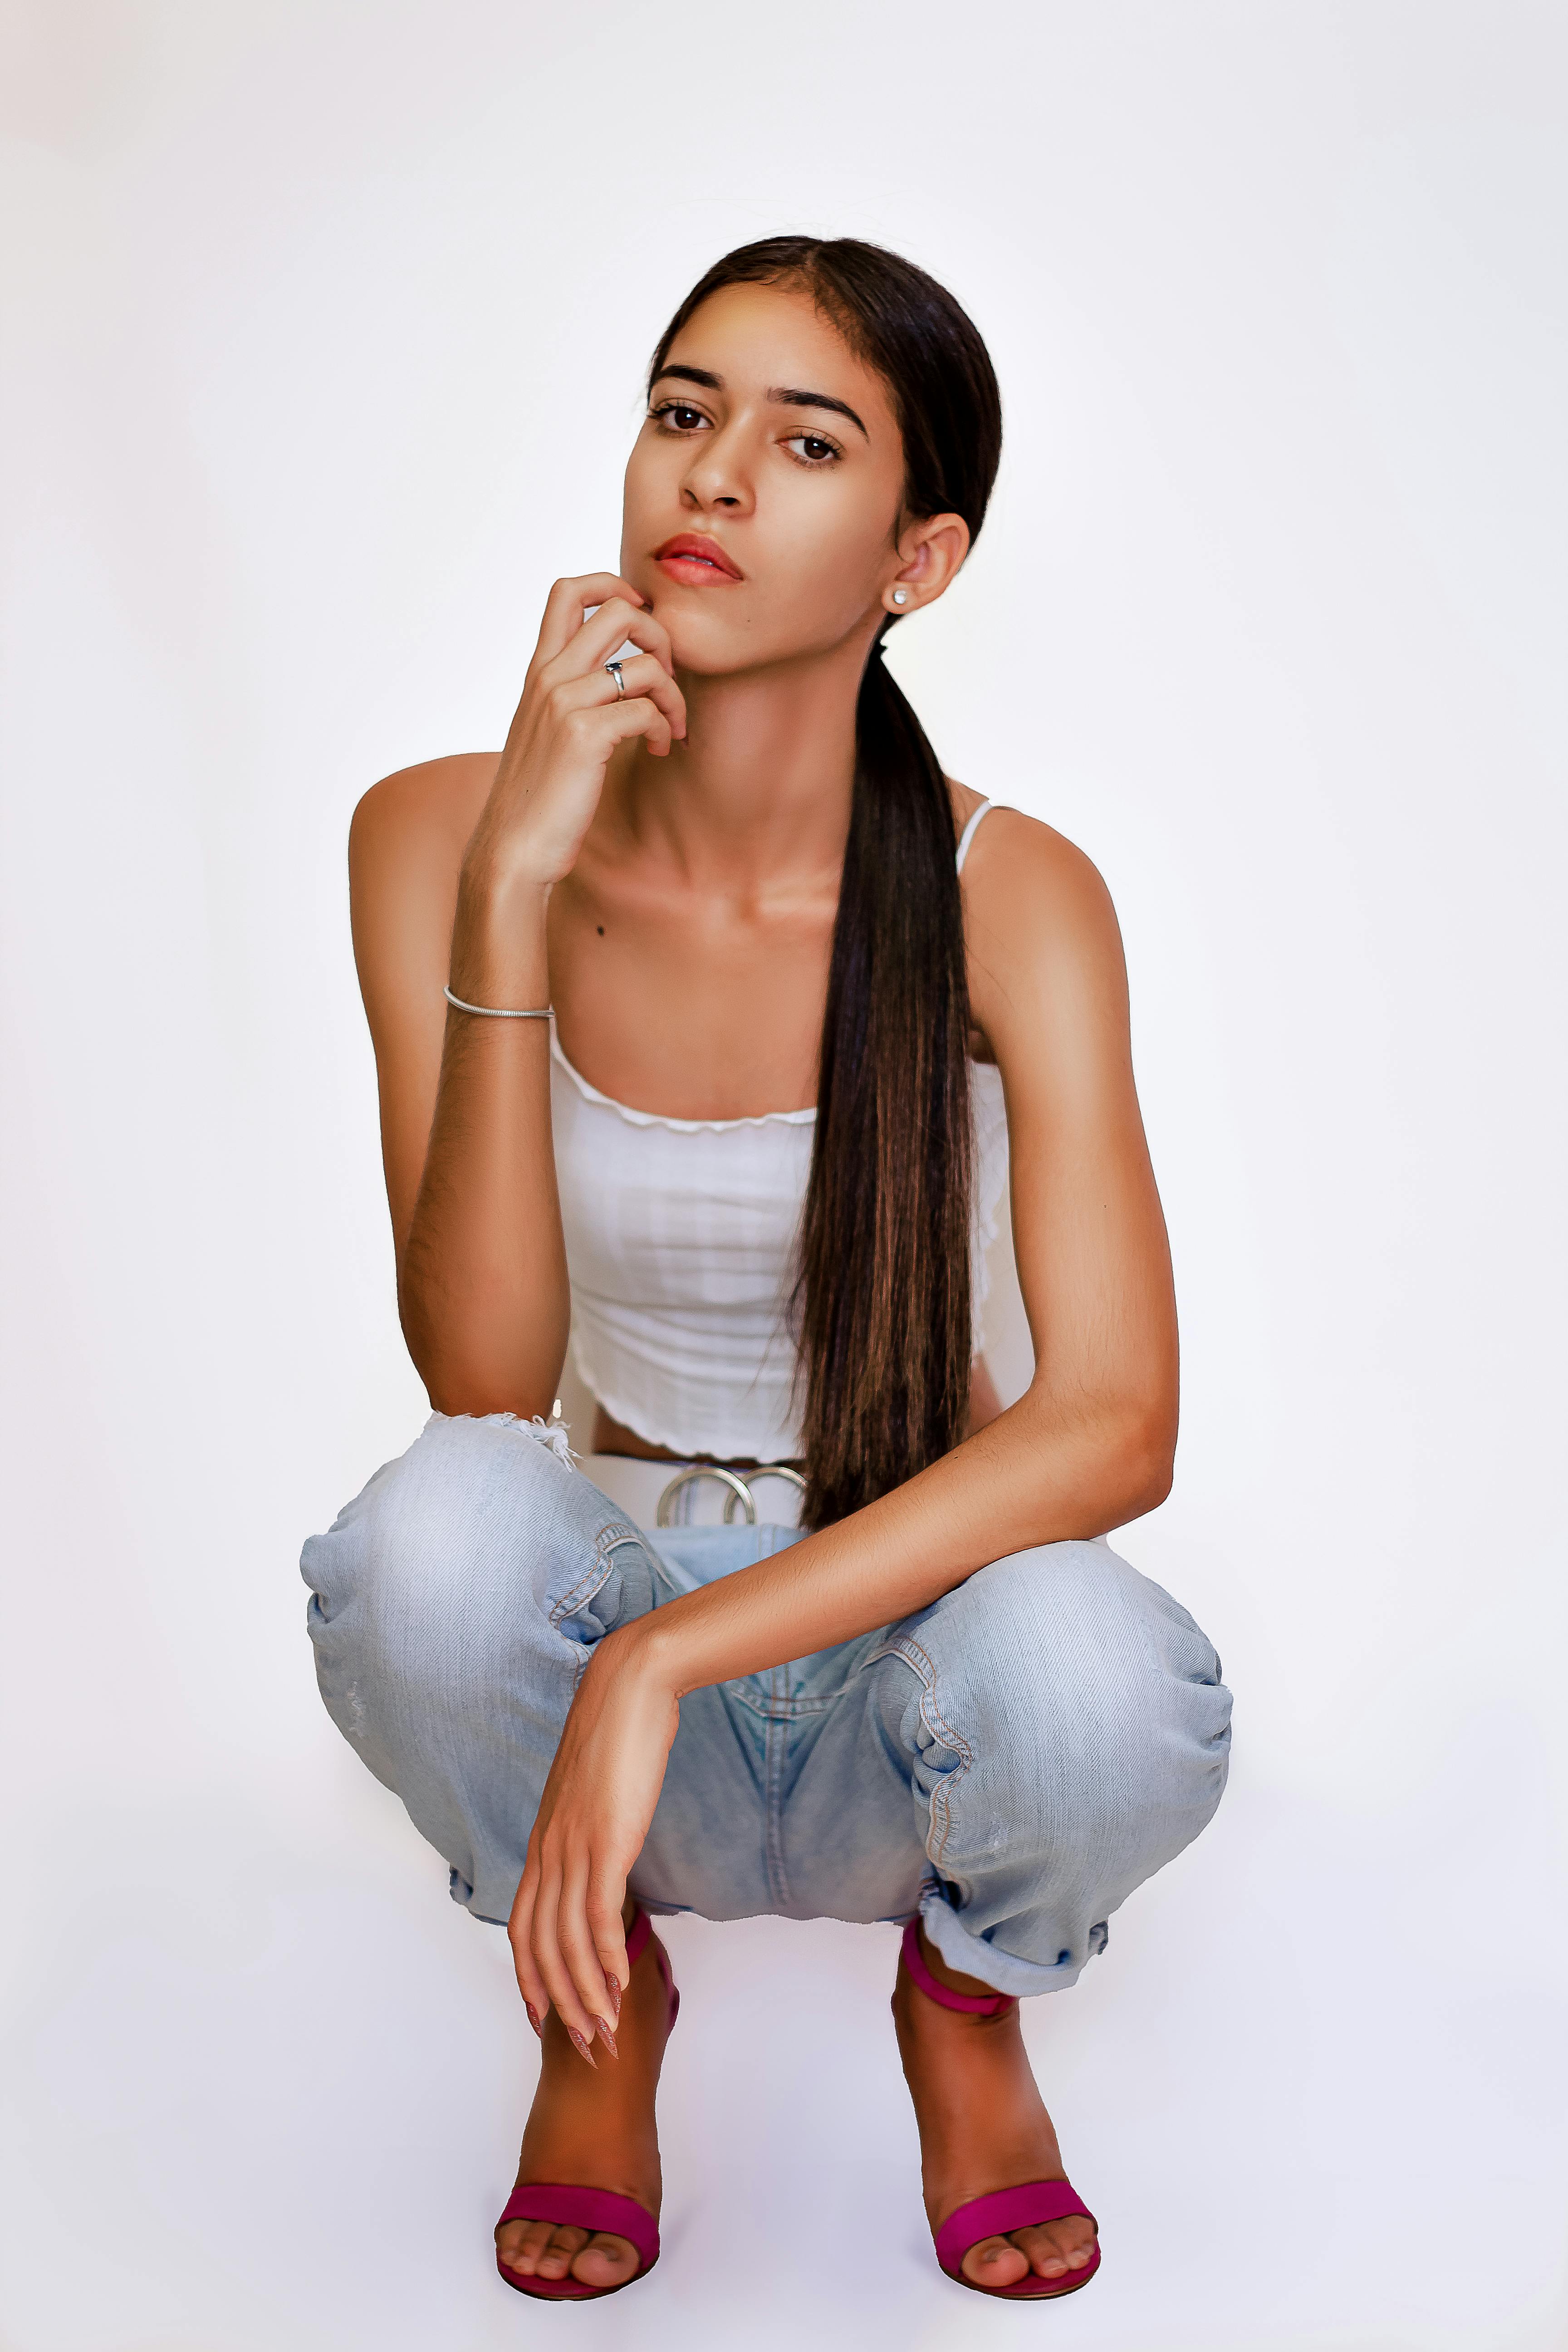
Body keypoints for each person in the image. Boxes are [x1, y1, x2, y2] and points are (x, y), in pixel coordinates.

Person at [301, 235, 1232, 2305]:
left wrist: (663, 1669)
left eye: (804, 442)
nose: (711, 478)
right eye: (682, 410)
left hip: (911, 1672)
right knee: (425, 1538)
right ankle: (604, 2005)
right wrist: (514, 893)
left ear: (918, 560)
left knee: (1108, 1691)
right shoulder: (431, 835)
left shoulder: (1015, 893)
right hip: (612, 1704)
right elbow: (483, 1373)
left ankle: (967, 2004)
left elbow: (1118, 1422)